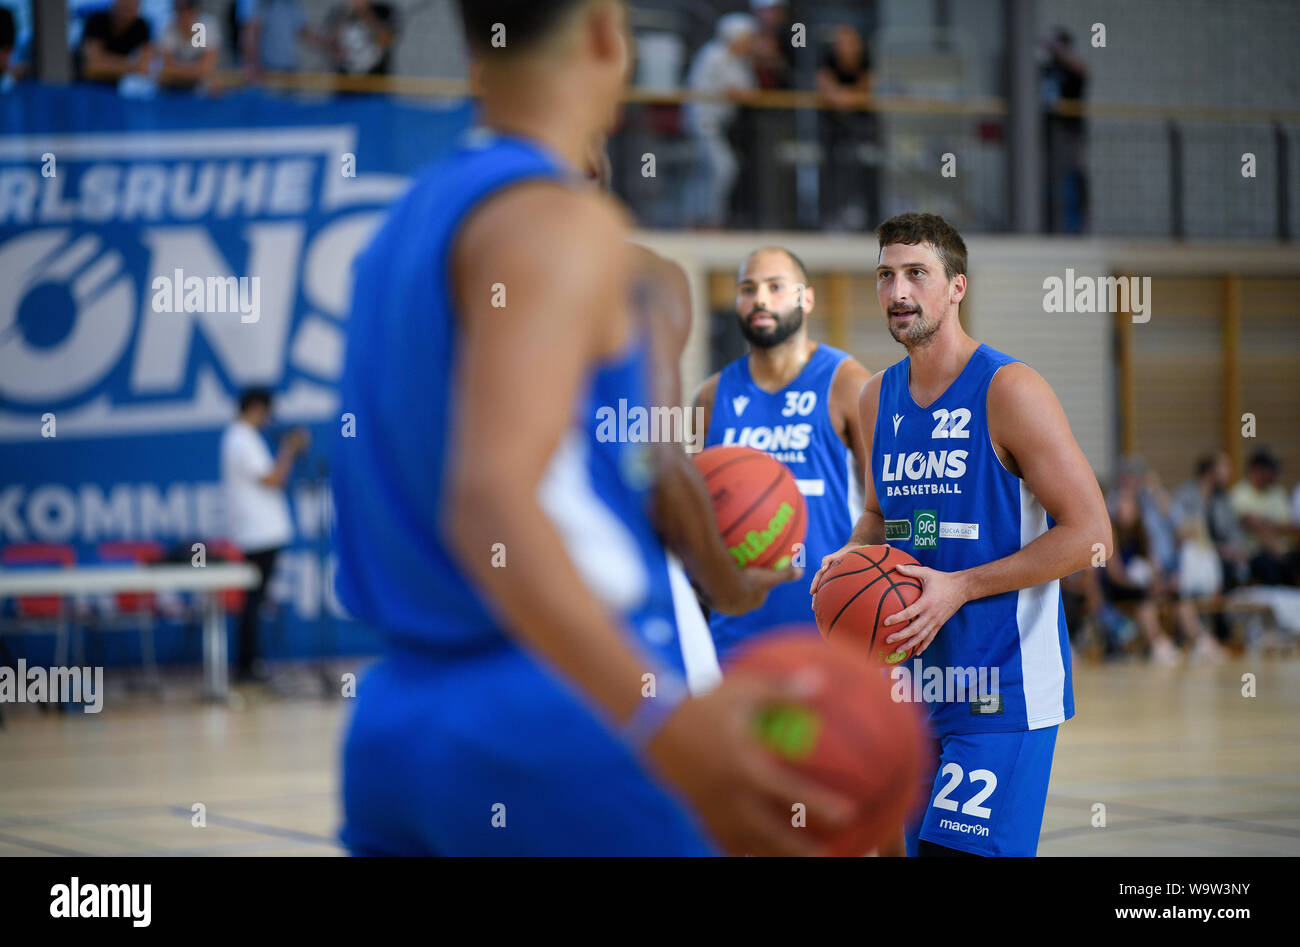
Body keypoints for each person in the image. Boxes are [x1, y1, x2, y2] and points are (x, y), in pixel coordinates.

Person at [332, 0, 852, 857]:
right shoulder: (568, 229)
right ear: (608, 33)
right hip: (559, 716)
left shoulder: (397, 230)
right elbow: (505, 498)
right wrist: (666, 714)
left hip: (395, 724)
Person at [810, 212, 1112, 857]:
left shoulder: (1010, 389)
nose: (898, 292)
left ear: (956, 288)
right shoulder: (874, 398)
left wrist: (961, 587)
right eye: (886, 275)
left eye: (917, 274)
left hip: (1001, 691)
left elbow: (1092, 535)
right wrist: (848, 556)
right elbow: (876, 515)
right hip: (911, 689)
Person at [693, 246, 872, 660]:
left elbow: (883, 510)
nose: (759, 299)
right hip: (735, 633)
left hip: (831, 626)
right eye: (747, 288)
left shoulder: (847, 382)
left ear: (805, 298)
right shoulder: (711, 395)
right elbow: (699, 513)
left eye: (775, 287)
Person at [220, 389, 308, 683]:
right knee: (252, 602)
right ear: (257, 408)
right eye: (268, 414)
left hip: (260, 532)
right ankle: (247, 667)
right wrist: (289, 450)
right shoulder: (241, 439)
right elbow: (273, 479)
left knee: (254, 601)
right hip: (258, 534)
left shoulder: (243, 438)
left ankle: (249, 664)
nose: (269, 421)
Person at [683, 13, 758, 229]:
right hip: (702, 122)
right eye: (747, 38)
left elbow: (750, 90)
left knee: (704, 173)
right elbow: (735, 91)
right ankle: (711, 220)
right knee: (723, 168)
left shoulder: (739, 62)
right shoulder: (713, 55)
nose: (750, 43)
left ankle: (698, 219)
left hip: (719, 125)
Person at [816, 24, 876, 231]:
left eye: (851, 43)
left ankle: (864, 215)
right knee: (831, 169)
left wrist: (845, 98)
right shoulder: (827, 58)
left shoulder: (866, 58)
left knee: (861, 166)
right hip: (832, 126)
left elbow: (866, 88)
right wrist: (842, 98)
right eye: (842, 43)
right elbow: (825, 87)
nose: (847, 47)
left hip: (860, 126)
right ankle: (831, 216)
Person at [1040, 28, 1088, 233]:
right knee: (1048, 180)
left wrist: (1059, 50)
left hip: (1068, 133)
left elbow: (1082, 70)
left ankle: (1072, 228)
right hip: (1048, 133)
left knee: (1069, 178)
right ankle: (1049, 226)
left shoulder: (1072, 69)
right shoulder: (1047, 69)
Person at [1229, 447, 1298, 585]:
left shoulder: (1278, 492)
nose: (1274, 475)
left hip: (1284, 550)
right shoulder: (1240, 494)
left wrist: (1267, 524)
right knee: (1269, 565)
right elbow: (1256, 527)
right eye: (1270, 470)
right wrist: (1277, 550)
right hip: (1255, 554)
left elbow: (1290, 525)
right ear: (1257, 470)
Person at [77, 0, 154, 85]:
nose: (126, 11)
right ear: (114, 5)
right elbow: (91, 67)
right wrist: (132, 67)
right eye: (124, 5)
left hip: (117, 87)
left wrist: (105, 62)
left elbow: (144, 68)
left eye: (131, 6)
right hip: (83, 83)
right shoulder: (97, 21)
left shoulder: (141, 26)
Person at [238, 0, 314, 80]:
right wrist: (251, 64)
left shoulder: (289, 4)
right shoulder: (258, 4)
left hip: (288, 70)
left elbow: (305, 31)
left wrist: (326, 41)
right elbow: (251, 33)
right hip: (267, 72)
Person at [159, 0, 220, 91]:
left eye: (188, 11)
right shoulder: (166, 25)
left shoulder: (208, 25)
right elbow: (165, 68)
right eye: (181, 12)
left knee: (215, 87)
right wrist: (197, 70)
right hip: (170, 87)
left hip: (200, 87)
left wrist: (175, 71)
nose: (185, 16)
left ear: (196, 12)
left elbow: (207, 68)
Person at [324, 0, 396, 77]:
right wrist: (345, 13)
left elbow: (386, 41)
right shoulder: (338, 12)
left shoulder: (383, 11)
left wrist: (364, 12)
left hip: (377, 78)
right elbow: (329, 43)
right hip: (344, 79)